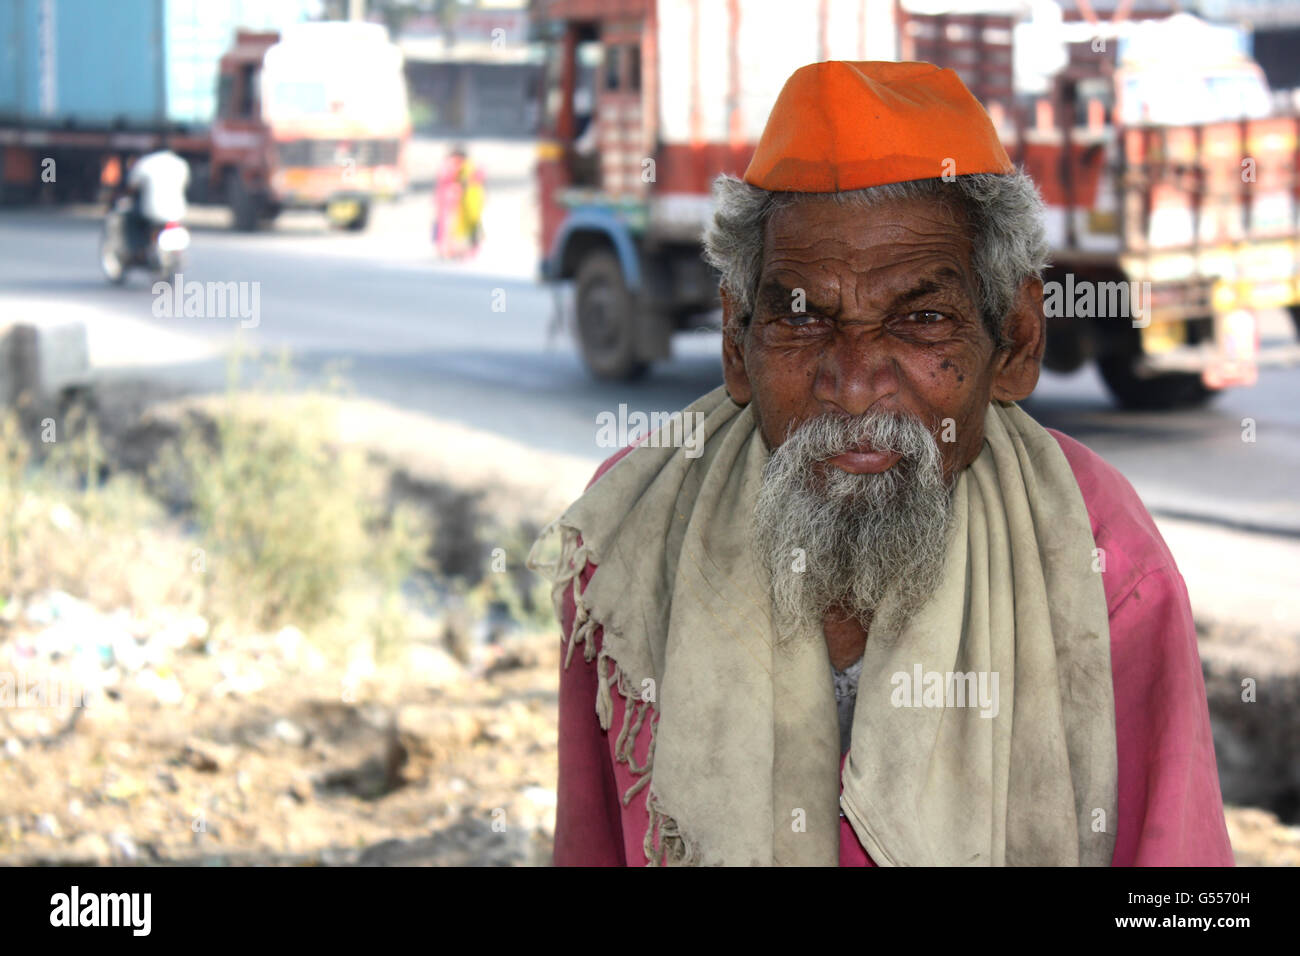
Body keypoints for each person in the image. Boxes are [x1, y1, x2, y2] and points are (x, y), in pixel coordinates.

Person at [530, 61, 1234, 866]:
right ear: (736, 344)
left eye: (923, 319)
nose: (855, 383)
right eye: (801, 319)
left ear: (1017, 344)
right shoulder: (637, 532)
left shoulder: (1099, 558)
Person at [124, 136, 190, 254]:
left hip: (151, 212)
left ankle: (136, 251)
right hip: (177, 212)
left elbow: (132, 184)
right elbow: (186, 185)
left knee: (131, 219)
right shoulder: (181, 164)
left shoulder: (146, 163)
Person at [432, 145, 485, 260]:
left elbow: (477, 180)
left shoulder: (470, 167)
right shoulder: (447, 166)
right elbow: (444, 179)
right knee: (447, 225)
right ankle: (448, 249)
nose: (456, 161)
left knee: (466, 227)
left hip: (468, 204)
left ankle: (465, 249)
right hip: (448, 202)